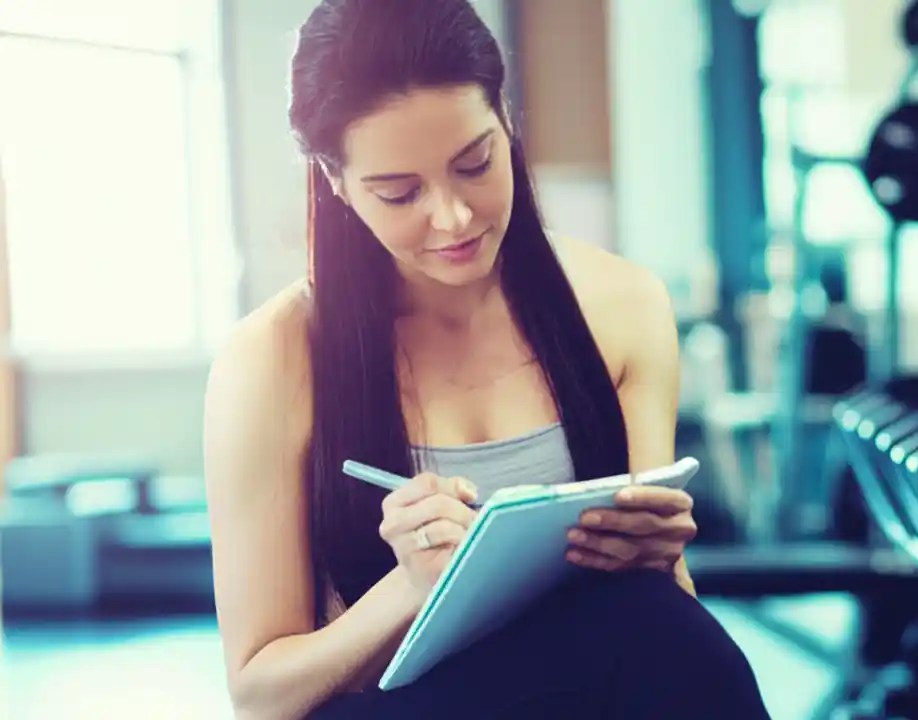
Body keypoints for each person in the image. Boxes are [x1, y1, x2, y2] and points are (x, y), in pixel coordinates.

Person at [201, 0, 771, 718]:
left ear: (506, 118)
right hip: (397, 709)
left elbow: (668, 621)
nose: (454, 217)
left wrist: (654, 555)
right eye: (400, 192)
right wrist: (412, 587)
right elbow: (261, 697)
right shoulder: (271, 360)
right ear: (337, 180)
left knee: (670, 633)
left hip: (584, 688)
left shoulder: (623, 306)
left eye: (475, 164)